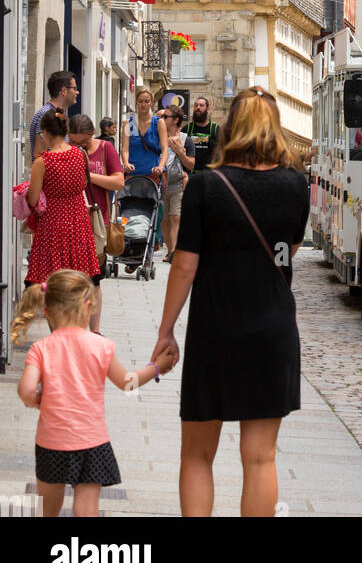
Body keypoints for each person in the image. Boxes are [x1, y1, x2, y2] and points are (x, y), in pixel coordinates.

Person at [151, 88, 310, 517]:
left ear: (231, 126)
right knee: (261, 458)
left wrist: (166, 331)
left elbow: (184, 266)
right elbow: (289, 248)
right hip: (272, 329)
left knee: (198, 455)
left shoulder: (207, 186)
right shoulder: (296, 185)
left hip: (215, 329)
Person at [12, 270, 174, 518]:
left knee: (48, 508)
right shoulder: (101, 346)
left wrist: (33, 400)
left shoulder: (41, 348)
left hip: (51, 442)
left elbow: (25, 388)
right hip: (91, 442)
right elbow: (127, 383)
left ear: (48, 309)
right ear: (88, 306)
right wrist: (155, 368)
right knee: (87, 509)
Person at [24, 109, 101, 294]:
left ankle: (57, 321)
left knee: (49, 282)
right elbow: (83, 184)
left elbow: (33, 199)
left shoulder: (42, 162)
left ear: (46, 133)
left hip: (52, 223)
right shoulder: (80, 155)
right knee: (78, 278)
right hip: (78, 222)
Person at [67, 115, 124, 332]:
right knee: (72, 278)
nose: (79, 148)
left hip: (96, 221)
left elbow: (119, 181)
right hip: (70, 219)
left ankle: (95, 330)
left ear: (92, 135)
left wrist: (88, 176)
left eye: (83, 144)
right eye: (74, 143)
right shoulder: (64, 150)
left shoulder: (105, 149)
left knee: (94, 279)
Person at [163, 106, 196, 262]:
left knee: (175, 217)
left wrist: (179, 151)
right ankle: (170, 250)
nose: (162, 120)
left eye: (166, 117)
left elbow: (190, 165)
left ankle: (174, 252)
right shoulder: (159, 137)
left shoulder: (186, 139)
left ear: (175, 120)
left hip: (178, 184)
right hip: (161, 184)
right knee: (165, 220)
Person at [121, 87, 169, 181]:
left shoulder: (159, 123)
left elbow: (165, 149)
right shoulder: (129, 123)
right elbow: (125, 149)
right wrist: (126, 163)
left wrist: (160, 166)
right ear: (136, 102)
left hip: (153, 173)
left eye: (147, 101)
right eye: (140, 101)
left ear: (151, 102)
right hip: (133, 173)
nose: (143, 104)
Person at [30, 71, 79, 160]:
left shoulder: (57, 113)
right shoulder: (46, 114)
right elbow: (39, 154)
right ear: (63, 91)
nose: (77, 92)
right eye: (74, 88)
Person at [187, 97, 221, 172]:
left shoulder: (215, 129)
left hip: (209, 174)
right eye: (196, 105)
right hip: (191, 174)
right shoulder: (187, 128)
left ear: (208, 109)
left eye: (201, 105)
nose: (198, 108)